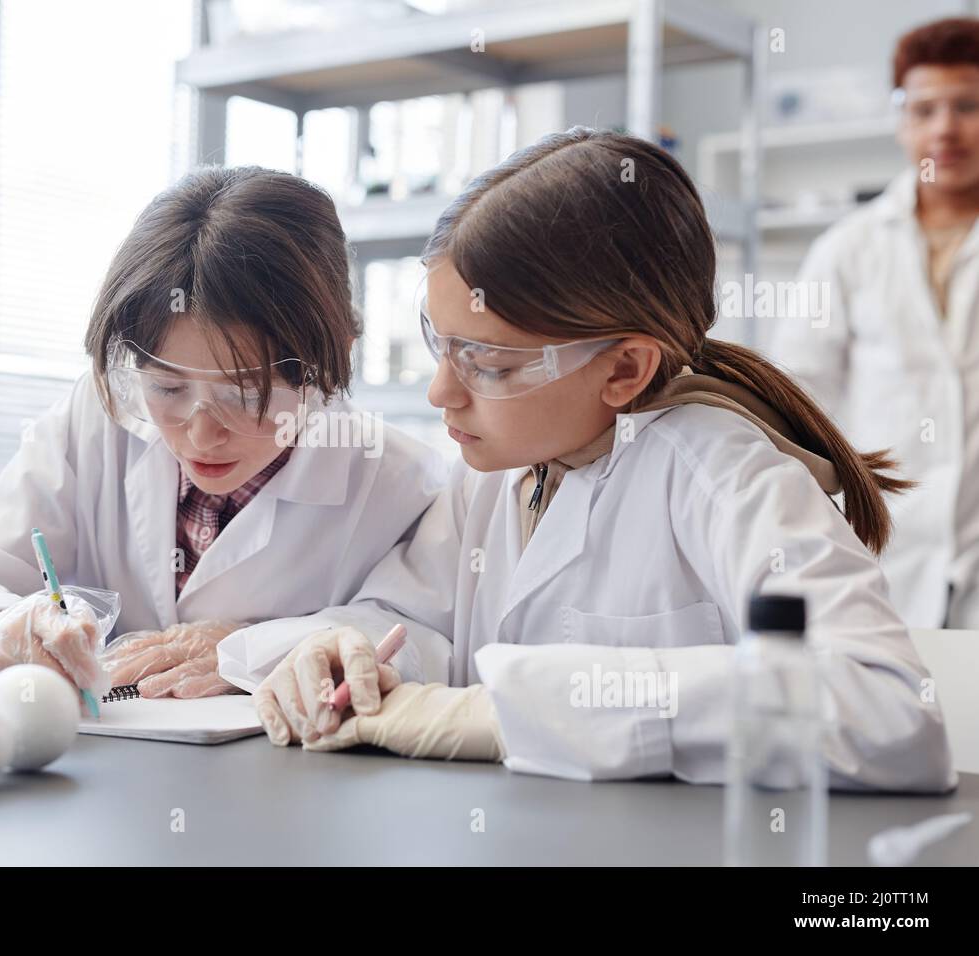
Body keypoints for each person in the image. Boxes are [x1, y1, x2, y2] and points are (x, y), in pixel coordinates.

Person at [219, 128, 957, 792]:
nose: (443, 390)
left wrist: (515, 712)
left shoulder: (724, 473)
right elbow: (417, 620)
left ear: (625, 369)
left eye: (488, 363)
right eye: (440, 344)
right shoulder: (505, 466)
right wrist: (341, 652)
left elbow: (888, 711)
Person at [0, 166, 446, 697]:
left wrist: (254, 648)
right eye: (167, 389)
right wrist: (0, 636)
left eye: (243, 396)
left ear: (328, 366)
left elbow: (422, 639)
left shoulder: (399, 483)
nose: (201, 435)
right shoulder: (94, 422)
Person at [770, 17, 979, 628]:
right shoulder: (848, 249)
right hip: (884, 548)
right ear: (902, 121)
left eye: (967, 105)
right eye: (926, 109)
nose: (946, 127)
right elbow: (799, 400)